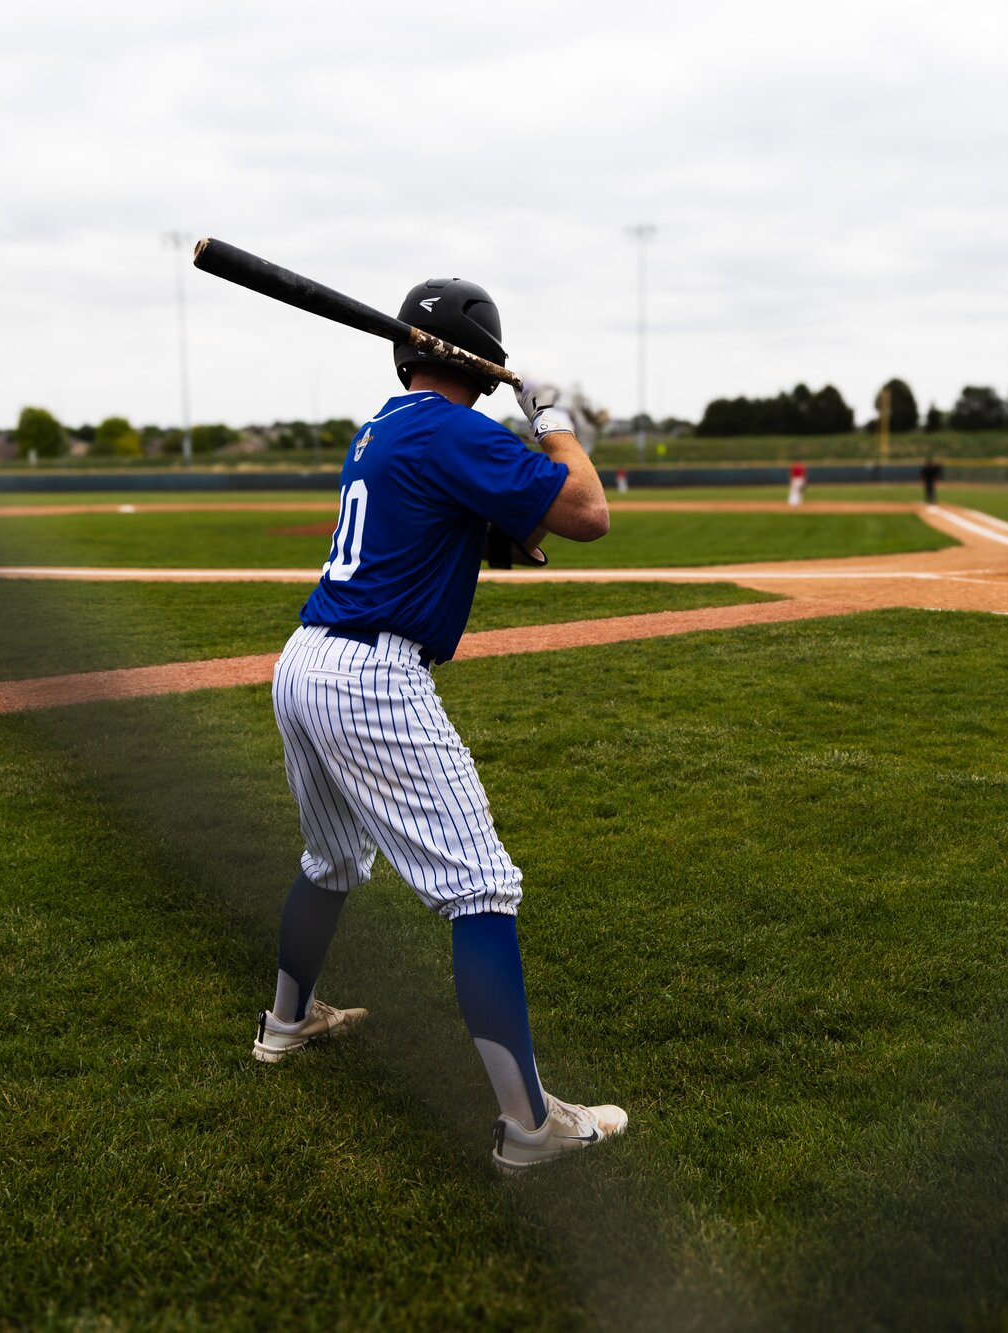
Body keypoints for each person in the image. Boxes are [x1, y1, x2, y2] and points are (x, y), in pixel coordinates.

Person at [254, 276, 626, 1172]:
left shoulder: (386, 425)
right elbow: (588, 515)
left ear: (408, 349)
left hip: (306, 658)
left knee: (329, 860)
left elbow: (451, 521)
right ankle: (531, 1126)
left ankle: (285, 1024)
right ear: (481, 358)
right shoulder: (453, 427)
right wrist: (553, 418)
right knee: (482, 887)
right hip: (371, 677)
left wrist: (499, 523)